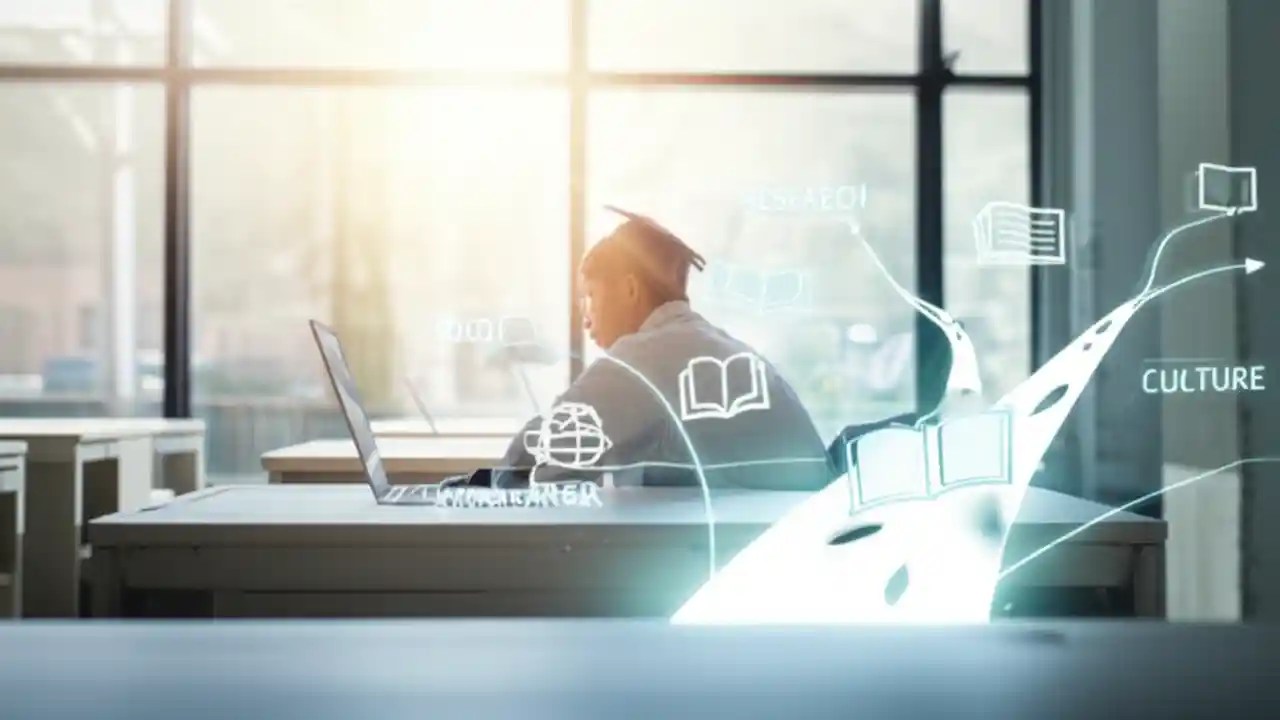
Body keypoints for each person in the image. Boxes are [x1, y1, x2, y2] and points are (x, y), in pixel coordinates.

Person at [496, 207, 831, 491]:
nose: (587, 320)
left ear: (629, 289)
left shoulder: (641, 360)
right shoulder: (721, 347)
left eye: (591, 298)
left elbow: (530, 460)